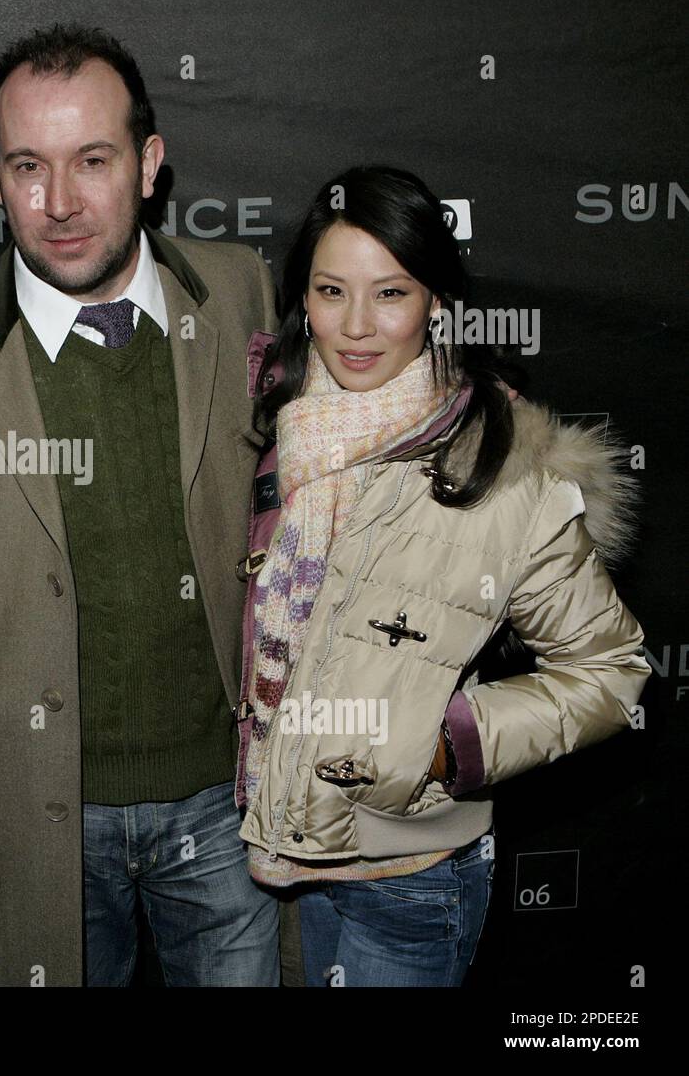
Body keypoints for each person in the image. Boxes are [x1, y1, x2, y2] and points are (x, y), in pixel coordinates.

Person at [0, 24, 280, 986]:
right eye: (28, 165)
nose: (59, 202)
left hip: (228, 803)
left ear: (149, 164)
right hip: (36, 820)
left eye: (93, 161)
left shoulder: (239, 291)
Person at [235, 165, 650, 986]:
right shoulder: (292, 427)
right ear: (302, 299)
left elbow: (612, 670)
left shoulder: (504, 468)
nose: (356, 326)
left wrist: (445, 743)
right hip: (292, 851)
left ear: (435, 302)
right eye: (331, 291)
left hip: (415, 876)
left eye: (391, 293)